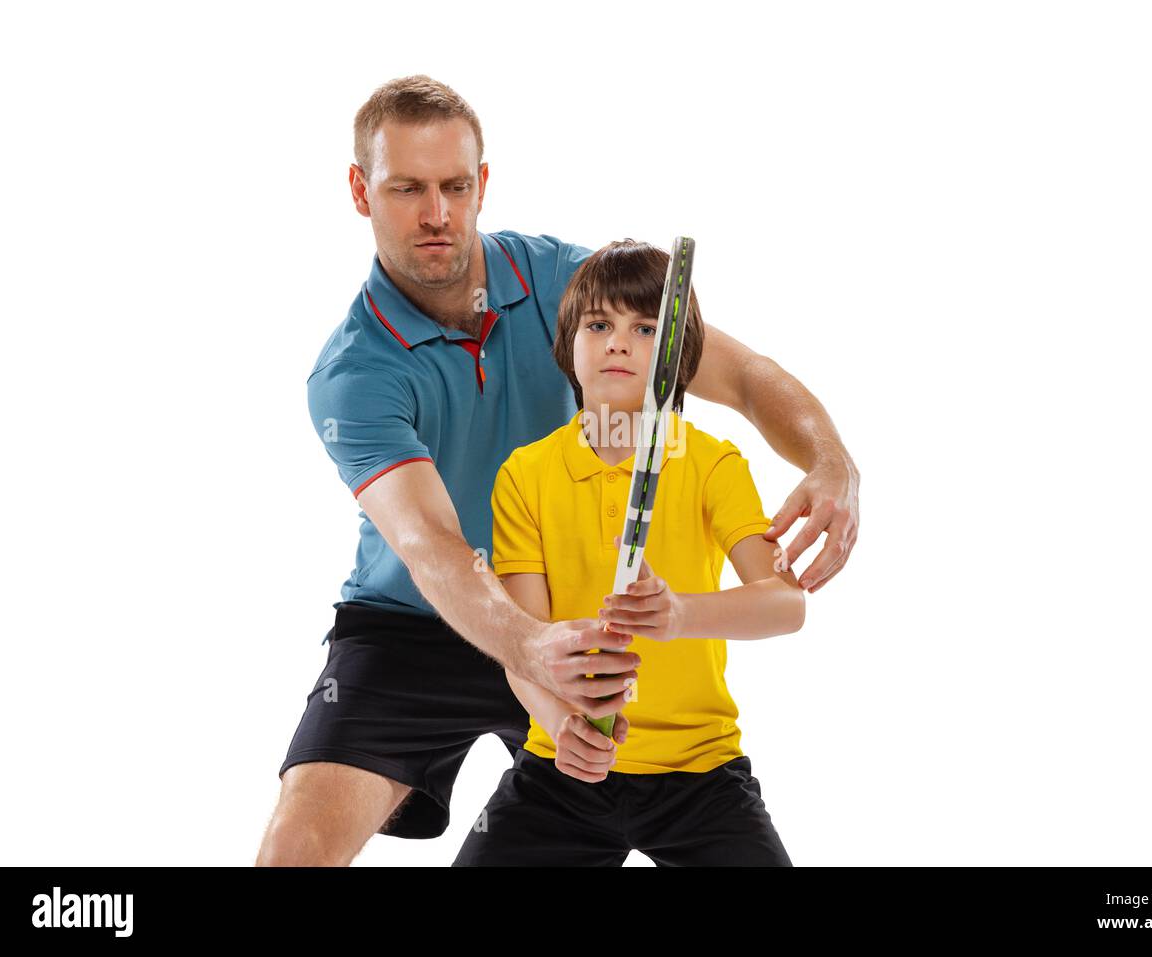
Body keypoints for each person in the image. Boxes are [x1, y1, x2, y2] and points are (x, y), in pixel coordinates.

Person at [255, 75, 860, 867]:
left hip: (567, 607)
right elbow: (432, 541)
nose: (437, 214)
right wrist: (527, 649)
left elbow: (742, 375)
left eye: (455, 186)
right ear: (360, 191)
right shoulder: (351, 374)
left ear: (483, 185)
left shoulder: (569, 286)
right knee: (293, 852)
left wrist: (832, 460)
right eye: (407, 189)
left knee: (634, 789)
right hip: (414, 625)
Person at [453, 240, 804, 866]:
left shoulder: (712, 464)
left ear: (678, 357)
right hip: (561, 767)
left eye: (646, 328)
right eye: (599, 324)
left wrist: (680, 616)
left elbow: (785, 605)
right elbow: (521, 644)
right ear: (569, 346)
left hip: (702, 771)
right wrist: (560, 724)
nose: (619, 342)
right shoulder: (525, 475)